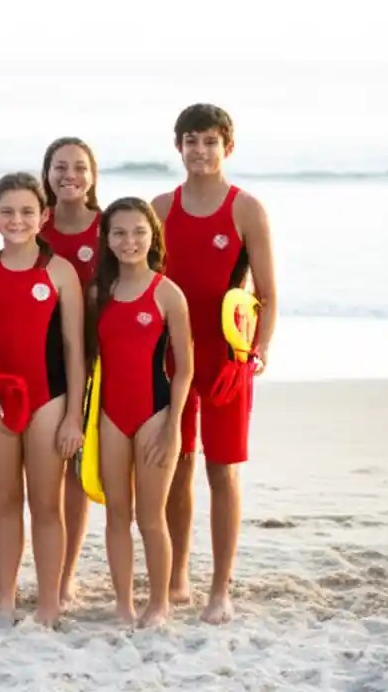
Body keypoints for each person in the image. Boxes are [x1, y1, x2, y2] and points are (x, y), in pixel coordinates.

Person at [152, 103, 278, 625]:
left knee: (221, 471)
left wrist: (256, 354)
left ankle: (219, 589)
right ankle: (178, 575)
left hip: (226, 358)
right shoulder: (161, 206)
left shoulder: (246, 208)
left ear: (228, 147)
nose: (199, 150)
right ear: (177, 146)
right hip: (171, 358)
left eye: (209, 141)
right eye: (190, 140)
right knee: (175, 466)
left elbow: (266, 294)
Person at [0, 172, 86, 627]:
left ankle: (49, 601)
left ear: (44, 216)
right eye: (8, 212)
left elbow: (74, 347)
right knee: (5, 501)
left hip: (49, 399)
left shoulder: (60, 272)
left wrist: (73, 414)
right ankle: (5, 596)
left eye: (27, 212)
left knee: (47, 503)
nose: (17, 220)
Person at [87, 196, 193, 627]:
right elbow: (85, 360)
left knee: (151, 517)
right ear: (107, 239)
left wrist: (173, 425)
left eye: (138, 232)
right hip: (110, 416)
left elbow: (185, 368)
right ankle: (124, 602)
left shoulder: (167, 293)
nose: (129, 241)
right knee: (116, 513)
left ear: (153, 236)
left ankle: (159, 603)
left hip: (155, 412)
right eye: (119, 232)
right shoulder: (98, 292)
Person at [38, 136, 103, 608]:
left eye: (79, 167)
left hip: (99, 360)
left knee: (77, 472)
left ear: (93, 175)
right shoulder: (32, 225)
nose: (69, 176)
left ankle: (66, 576)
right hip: (42, 362)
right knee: (44, 473)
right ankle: (47, 570)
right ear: (47, 173)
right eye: (59, 167)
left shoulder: (108, 228)